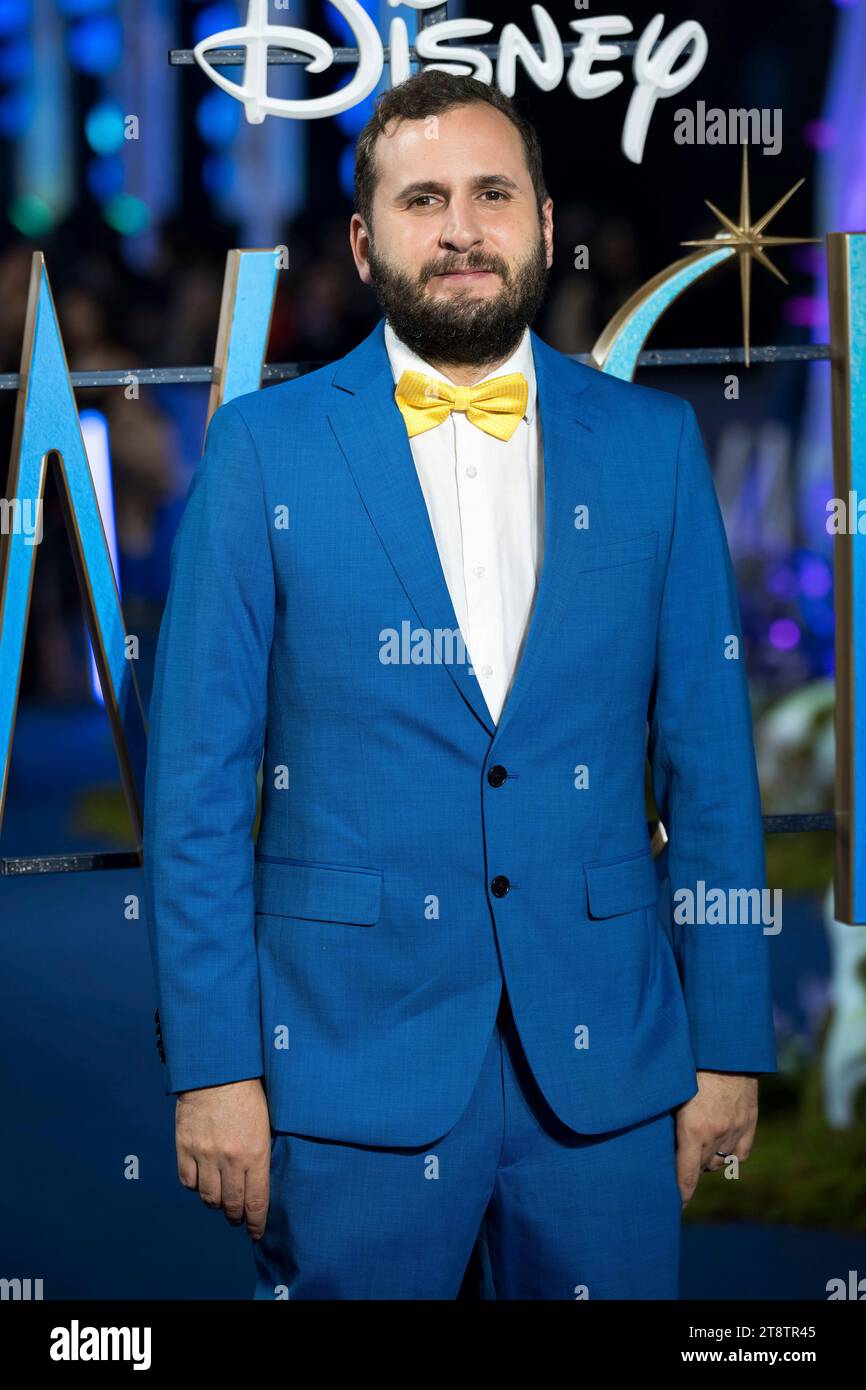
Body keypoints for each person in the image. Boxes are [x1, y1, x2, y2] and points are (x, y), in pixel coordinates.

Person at [143, 70, 777, 1301]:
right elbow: (197, 793)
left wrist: (728, 1043)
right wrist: (214, 1068)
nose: (460, 228)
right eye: (422, 197)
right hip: (341, 1078)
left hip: (608, 1081)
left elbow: (711, 773)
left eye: (492, 193)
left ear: (543, 223)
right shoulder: (261, 451)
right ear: (363, 242)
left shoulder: (650, 448)